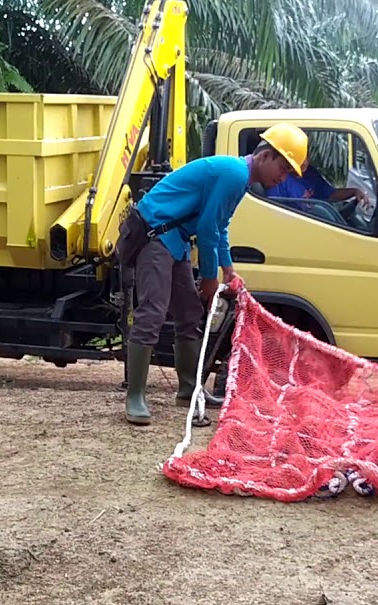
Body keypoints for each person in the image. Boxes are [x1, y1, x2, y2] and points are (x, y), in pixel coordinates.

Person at [116, 122, 308, 426]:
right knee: (152, 311)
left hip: (175, 240)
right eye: (283, 169)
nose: (282, 178)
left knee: (190, 313)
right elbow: (207, 228)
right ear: (265, 155)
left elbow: (219, 227)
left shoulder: (240, 179)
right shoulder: (234, 174)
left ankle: (189, 391)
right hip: (156, 235)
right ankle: (135, 396)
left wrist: (228, 271)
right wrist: (209, 277)